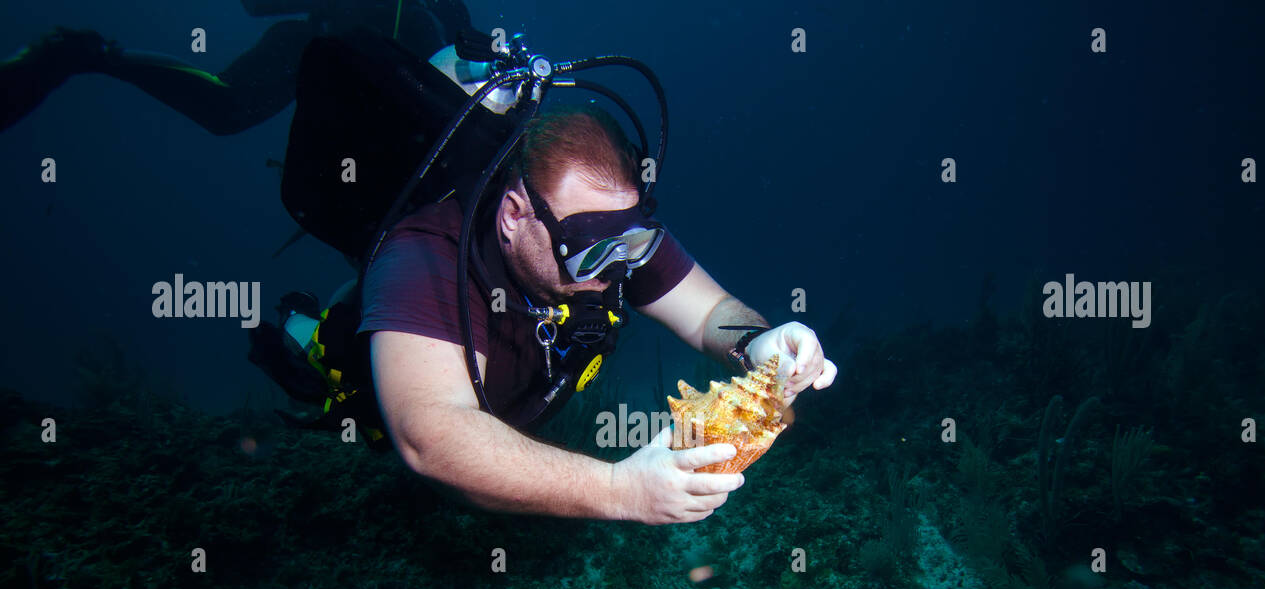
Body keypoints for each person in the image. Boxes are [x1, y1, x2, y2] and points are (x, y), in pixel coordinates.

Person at [360, 99, 838, 526]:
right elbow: (432, 436)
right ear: (513, 215)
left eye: (628, 240)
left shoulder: (620, 244)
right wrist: (618, 490)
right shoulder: (424, 260)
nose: (612, 269)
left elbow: (709, 311)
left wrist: (760, 341)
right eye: (587, 247)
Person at [0, 0, 471, 134]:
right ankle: (92, 56)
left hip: (347, 54)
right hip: (332, 42)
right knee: (230, 107)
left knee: (229, 108)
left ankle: (93, 57)